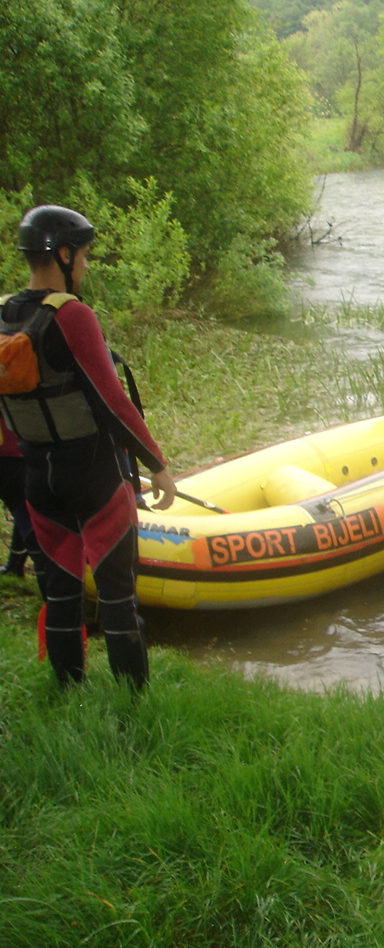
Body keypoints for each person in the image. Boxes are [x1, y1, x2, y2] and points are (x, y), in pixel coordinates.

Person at [0, 205, 177, 688]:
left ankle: (67, 691)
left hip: (40, 480)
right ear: (61, 254)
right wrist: (157, 465)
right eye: (82, 255)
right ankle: (132, 703)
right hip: (94, 477)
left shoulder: (4, 314)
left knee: (60, 594)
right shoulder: (72, 315)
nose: (85, 265)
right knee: (119, 598)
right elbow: (112, 400)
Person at [0, 423, 35, 578]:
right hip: (18, 455)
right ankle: (15, 564)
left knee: (25, 514)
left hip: (13, 457)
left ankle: (16, 564)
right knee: (25, 513)